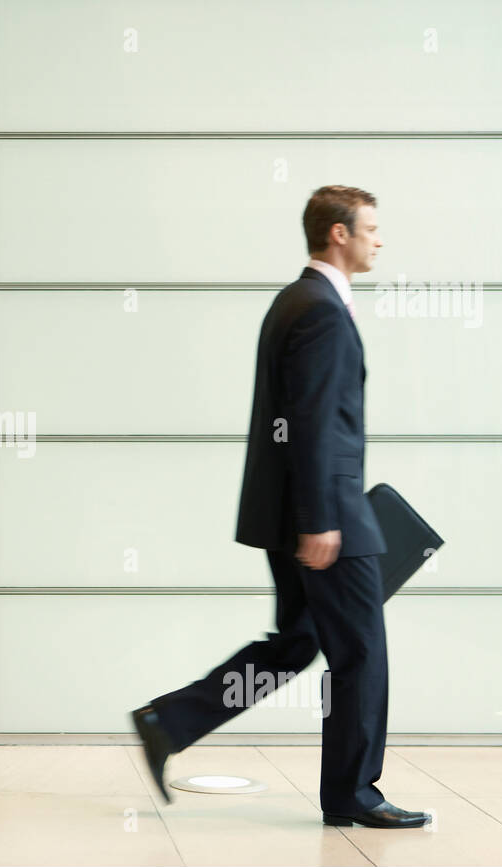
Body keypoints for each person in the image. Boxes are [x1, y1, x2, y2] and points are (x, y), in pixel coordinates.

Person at [131, 185, 430, 829]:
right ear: (338, 235)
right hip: (329, 521)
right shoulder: (320, 310)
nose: (381, 239)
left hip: (299, 514)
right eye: (371, 228)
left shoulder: (297, 301)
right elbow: (315, 423)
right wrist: (321, 519)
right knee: (361, 653)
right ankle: (354, 793)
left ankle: (168, 721)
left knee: (297, 644)